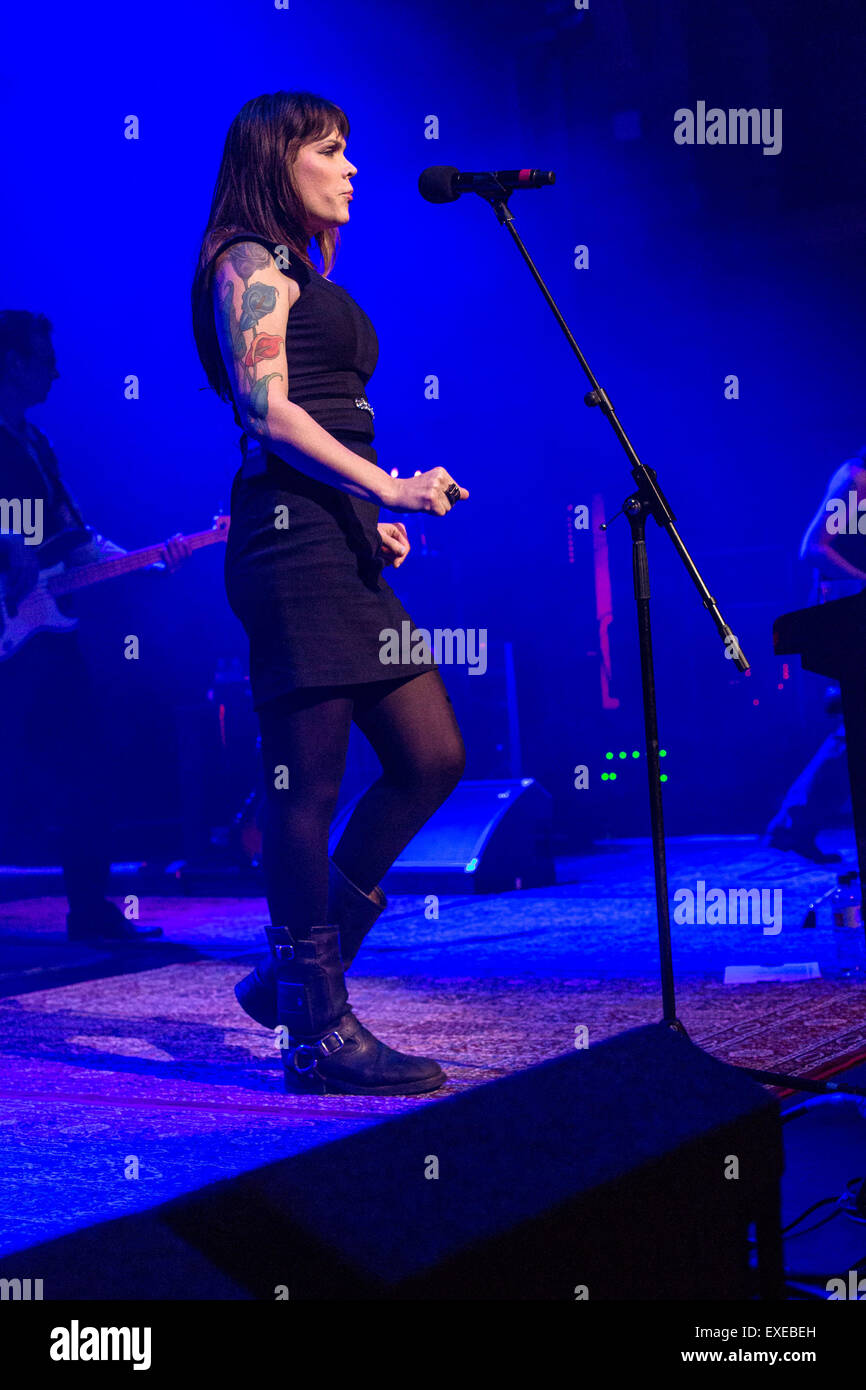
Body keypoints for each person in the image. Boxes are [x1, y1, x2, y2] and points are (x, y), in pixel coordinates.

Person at [192, 91, 469, 1096]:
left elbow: (329, 416)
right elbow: (267, 410)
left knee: (433, 754)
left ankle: (295, 973)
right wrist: (385, 484)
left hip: (336, 534)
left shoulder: (301, 271)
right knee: (301, 788)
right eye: (332, 150)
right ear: (278, 161)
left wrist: (370, 509)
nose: (352, 168)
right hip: (286, 544)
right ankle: (318, 1032)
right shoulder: (245, 265)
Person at [0, 310, 189, 940]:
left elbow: (75, 540)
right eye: (42, 357)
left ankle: (89, 908)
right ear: (12, 362)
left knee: (83, 763)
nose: (56, 369)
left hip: (46, 635)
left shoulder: (37, 442)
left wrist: (146, 560)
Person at [765, 451, 866, 861]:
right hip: (848, 616)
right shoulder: (856, 479)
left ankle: (794, 824)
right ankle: (793, 823)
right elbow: (814, 548)